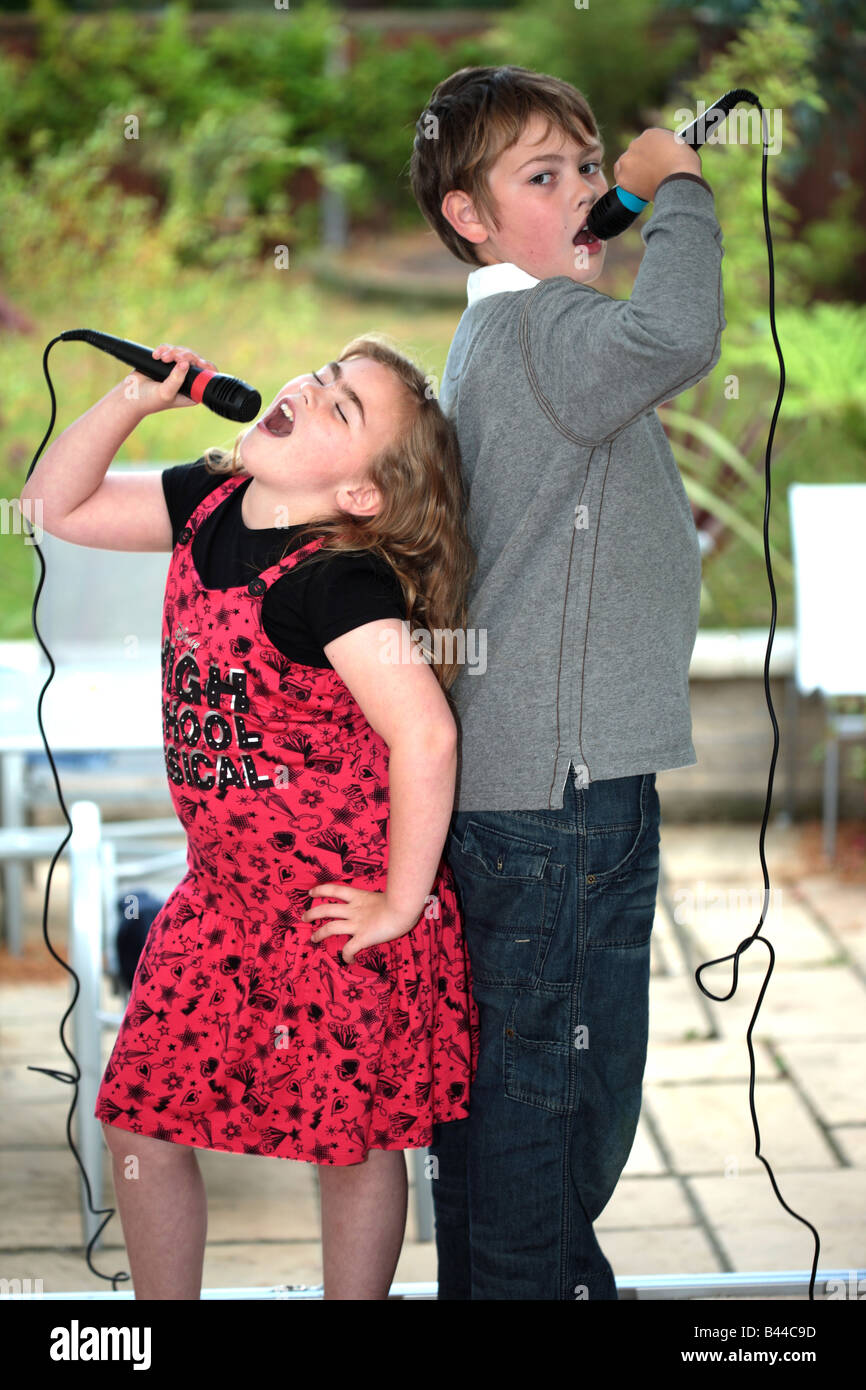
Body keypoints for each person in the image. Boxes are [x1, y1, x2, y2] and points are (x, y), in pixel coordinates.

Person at [19, 332, 479, 1300]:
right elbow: (52, 507)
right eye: (320, 376)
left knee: (348, 1141)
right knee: (140, 1117)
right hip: (220, 901)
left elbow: (426, 738)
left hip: (330, 911)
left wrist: (401, 901)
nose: (308, 389)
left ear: (363, 496)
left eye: (341, 407)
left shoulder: (336, 583)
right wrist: (132, 404)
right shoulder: (210, 500)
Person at [408, 64, 726, 1299]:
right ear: (467, 219)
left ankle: (528, 1280)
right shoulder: (545, 327)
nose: (591, 193)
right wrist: (681, 186)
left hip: (543, 784)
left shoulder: (513, 328)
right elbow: (679, 334)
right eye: (545, 177)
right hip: (560, 796)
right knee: (559, 1103)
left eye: (594, 171)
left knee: (525, 1098)